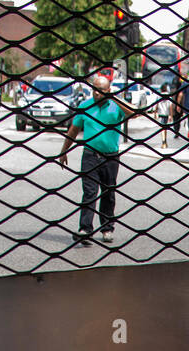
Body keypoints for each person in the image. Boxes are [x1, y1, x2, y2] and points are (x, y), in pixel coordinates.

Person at [57, 73, 135, 246]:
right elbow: (73, 130)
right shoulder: (85, 106)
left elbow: (135, 113)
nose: (97, 93)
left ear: (108, 90)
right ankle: (85, 230)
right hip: (90, 155)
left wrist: (115, 99)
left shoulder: (116, 106)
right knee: (90, 193)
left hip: (111, 158)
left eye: (101, 90)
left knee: (109, 193)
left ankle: (107, 228)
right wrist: (63, 151)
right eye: (94, 90)